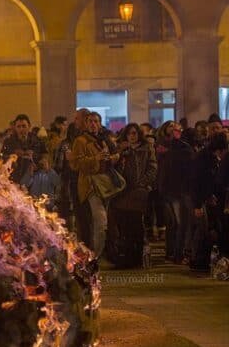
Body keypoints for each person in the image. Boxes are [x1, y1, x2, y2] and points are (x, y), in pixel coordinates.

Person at [69, 110, 119, 256]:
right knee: (100, 221)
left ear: (100, 124)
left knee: (103, 223)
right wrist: (95, 158)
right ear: (85, 124)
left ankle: (99, 253)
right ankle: (95, 255)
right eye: (90, 121)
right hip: (90, 185)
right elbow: (75, 164)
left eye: (96, 121)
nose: (93, 124)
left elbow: (115, 156)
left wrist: (112, 158)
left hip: (106, 184)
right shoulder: (80, 141)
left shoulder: (103, 140)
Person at [107, 123, 157, 268]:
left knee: (136, 224)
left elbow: (152, 168)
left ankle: (136, 257)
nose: (132, 136)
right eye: (129, 133)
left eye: (134, 133)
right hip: (122, 191)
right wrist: (121, 152)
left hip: (138, 191)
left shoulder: (146, 148)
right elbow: (114, 167)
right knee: (124, 225)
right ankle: (126, 257)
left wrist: (143, 182)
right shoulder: (122, 149)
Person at [156, 121, 194, 264]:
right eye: (171, 126)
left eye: (176, 127)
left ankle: (174, 252)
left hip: (176, 188)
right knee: (175, 222)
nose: (174, 129)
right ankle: (174, 253)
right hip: (170, 189)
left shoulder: (182, 147)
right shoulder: (162, 146)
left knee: (176, 223)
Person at [189, 133, 228, 272]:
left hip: (207, 198)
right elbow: (196, 183)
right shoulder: (203, 159)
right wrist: (197, 205)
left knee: (208, 229)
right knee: (202, 230)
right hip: (199, 200)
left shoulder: (210, 158)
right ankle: (197, 260)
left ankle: (202, 261)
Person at [1, 114, 45, 186]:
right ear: (15, 127)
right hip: (14, 177)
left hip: (33, 177)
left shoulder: (36, 140)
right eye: (18, 127)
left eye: (24, 126)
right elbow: (2, 157)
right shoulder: (9, 141)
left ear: (29, 126)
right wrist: (13, 156)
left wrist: (33, 155)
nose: (21, 129)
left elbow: (43, 155)